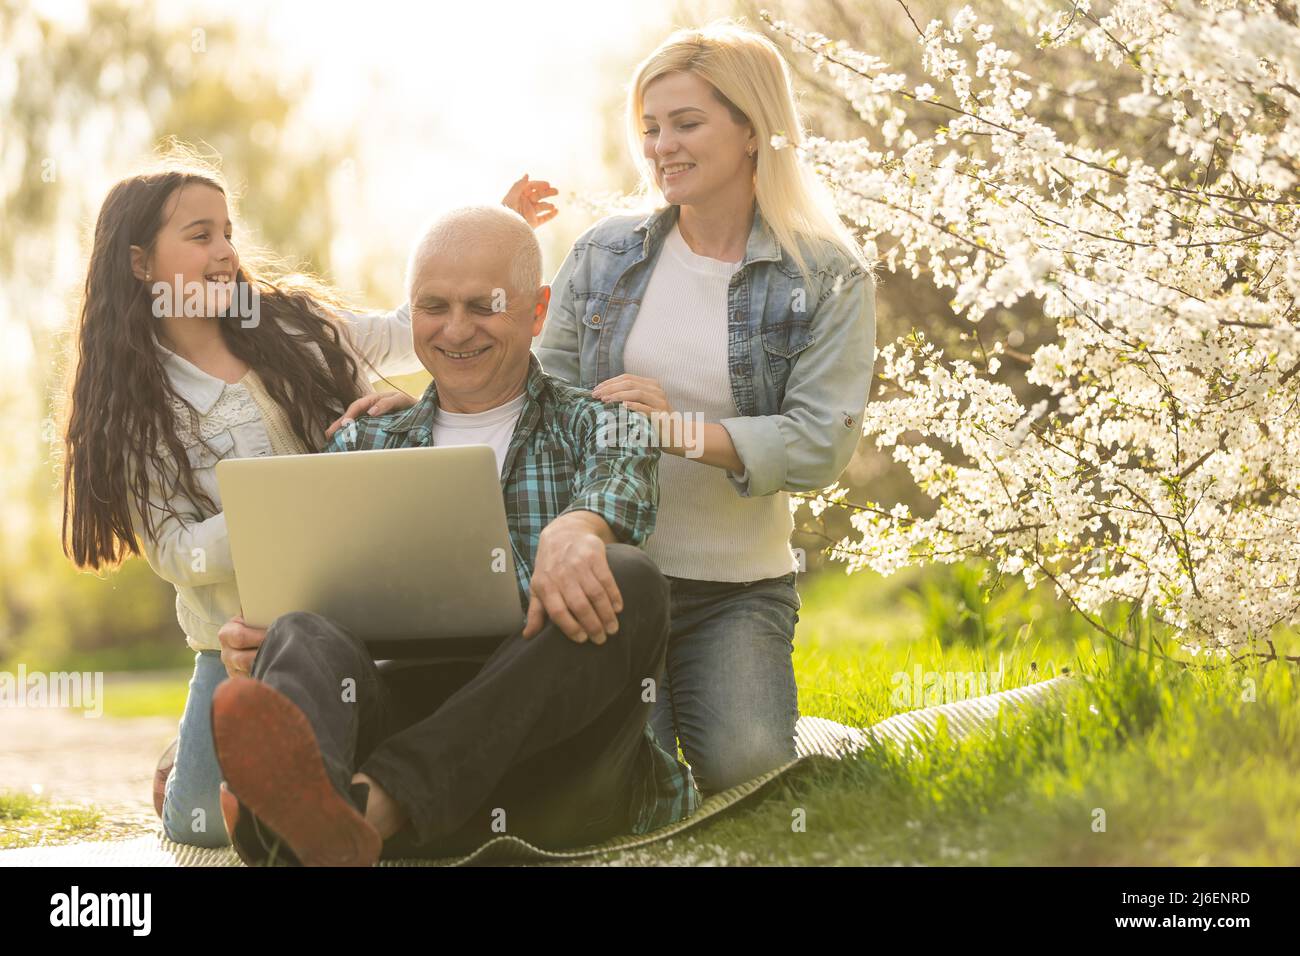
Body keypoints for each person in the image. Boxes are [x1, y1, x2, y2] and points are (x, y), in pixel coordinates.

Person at [59, 151, 558, 848]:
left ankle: (328, 786)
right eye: (200, 236)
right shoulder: (135, 405)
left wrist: (493, 231)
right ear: (141, 264)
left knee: (357, 740)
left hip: (349, 620)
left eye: (228, 231)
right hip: (238, 642)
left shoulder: (286, 325)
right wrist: (281, 509)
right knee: (204, 822)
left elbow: (397, 329)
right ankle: (191, 754)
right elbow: (174, 550)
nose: (227, 251)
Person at [210, 205, 698, 866]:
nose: (456, 329)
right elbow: (311, 605)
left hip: (552, 769)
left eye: (483, 306)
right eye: (433, 306)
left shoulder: (605, 422)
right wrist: (260, 644)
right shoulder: (365, 441)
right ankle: (333, 819)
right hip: (401, 727)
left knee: (631, 580)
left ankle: (355, 815)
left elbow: (621, 488)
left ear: (538, 310)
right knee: (299, 631)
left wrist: (579, 529)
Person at [534, 22, 877, 793]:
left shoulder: (828, 276)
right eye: (650, 128)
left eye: (686, 124)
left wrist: (677, 432)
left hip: (739, 590)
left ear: (754, 132)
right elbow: (540, 396)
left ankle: (792, 731)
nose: (661, 147)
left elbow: (819, 445)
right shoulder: (604, 253)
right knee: (621, 786)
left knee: (747, 772)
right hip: (617, 580)